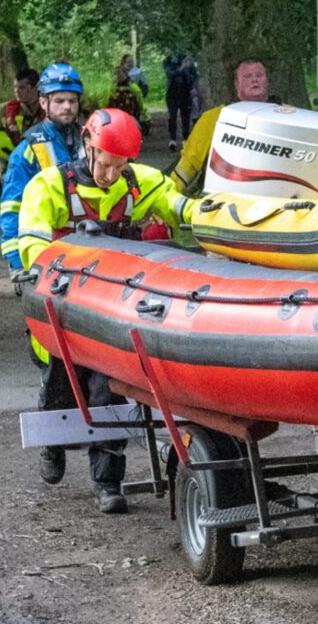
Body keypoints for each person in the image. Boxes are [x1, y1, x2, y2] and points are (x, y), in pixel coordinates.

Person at [16, 109, 189, 513]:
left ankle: (108, 483)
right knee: (60, 381)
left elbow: (175, 206)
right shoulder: (51, 186)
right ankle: (53, 443)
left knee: (105, 388)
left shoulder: (140, 183)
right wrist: (47, 273)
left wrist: (206, 217)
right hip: (64, 302)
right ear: (88, 146)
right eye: (107, 164)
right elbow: (32, 242)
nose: (112, 174)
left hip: (111, 304)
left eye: (121, 165)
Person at [0, 63, 86, 283]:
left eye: (72, 101)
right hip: (47, 252)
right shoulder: (28, 150)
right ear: (43, 103)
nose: (67, 107)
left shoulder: (92, 140)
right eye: (59, 101)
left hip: (90, 247)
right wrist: (17, 263)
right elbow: (12, 207)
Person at [170, 59, 271, 192]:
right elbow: (189, 164)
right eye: (247, 76)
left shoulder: (289, 115)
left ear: (267, 81)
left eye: (259, 75)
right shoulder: (213, 118)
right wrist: (169, 196)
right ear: (236, 84)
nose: (254, 80)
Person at [0, 68, 44, 189]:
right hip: (10, 175)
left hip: (42, 172)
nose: (17, 91)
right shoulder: (4, 110)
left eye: (22, 87)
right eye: (15, 87)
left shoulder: (50, 110)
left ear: (35, 88)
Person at [106, 60, 150, 137]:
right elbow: (141, 104)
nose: (118, 76)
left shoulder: (111, 89)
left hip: (121, 120)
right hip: (126, 119)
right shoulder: (133, 88)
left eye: (120, 74)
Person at [163, 51, 196, 151]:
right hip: (172, 94)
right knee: (172, 117)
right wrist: (183, 67)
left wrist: (188, 67)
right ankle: (172, 140)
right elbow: (170, 74)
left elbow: (193, 74)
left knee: (185, 117)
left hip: (185, 93)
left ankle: (185, 139)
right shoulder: (166, 62)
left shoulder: (185, 59)